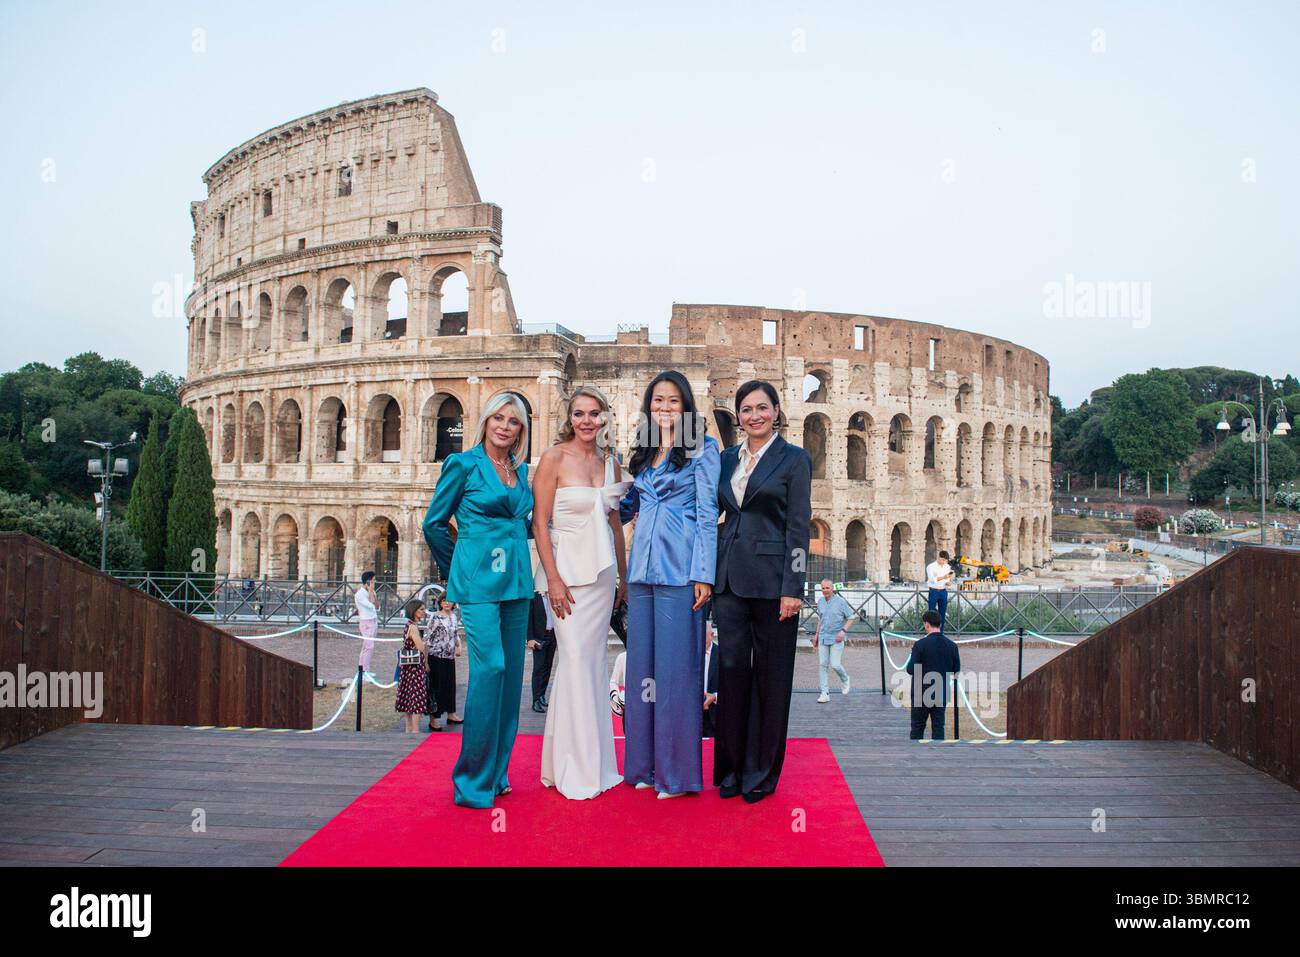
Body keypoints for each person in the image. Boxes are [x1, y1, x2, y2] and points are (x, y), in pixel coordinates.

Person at [422, 392, 535, 809]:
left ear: (521, 430)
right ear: (485, 421)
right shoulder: (463, 464)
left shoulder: (521, 471)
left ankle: (497, 772)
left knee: (511, 679)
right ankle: (471, 781)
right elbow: (433, 524)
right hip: (478, 585)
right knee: (491, 670)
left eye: (513, 421)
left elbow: (526, 524)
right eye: (498, 418)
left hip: (517, 582)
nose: (504, 426)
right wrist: (459, 569)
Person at [619, 370, 720, 799]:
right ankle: (644, 765)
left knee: (676, 674)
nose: (664, 407)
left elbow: (708, 512)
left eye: (673, 401)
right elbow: (627, 505)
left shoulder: (703, 448)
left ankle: (676, 775)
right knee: (643, 672)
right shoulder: (643, 451)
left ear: (686, 407)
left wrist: (704, 574)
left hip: (681, 569)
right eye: (658, 400)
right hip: (641, 570)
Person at [713, 380, 811, 804]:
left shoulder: (794, 459)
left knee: (772, 678)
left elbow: (799, 527)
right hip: (729, 580)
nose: (754, 415)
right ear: (738, 416)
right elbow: (712, 512)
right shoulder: (726, 459)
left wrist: (794, 587)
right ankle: (732, 768)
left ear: (776, 411)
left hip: (774, 585)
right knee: (732, 672)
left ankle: (761, 772)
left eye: (761, 408)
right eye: (746, 409)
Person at [532, 385, 631, 800]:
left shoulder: (612, 463)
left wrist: (624, 577)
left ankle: (594, 763)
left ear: (604, 417)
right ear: (569, 418)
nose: (587, 420)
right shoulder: (553, 459)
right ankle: (569, 766)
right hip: (567, 575)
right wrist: (553, 579)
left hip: (603, 576)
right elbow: (539, 523)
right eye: (579, 414)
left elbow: (614, 525)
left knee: (591, 665)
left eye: (594, 413)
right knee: (572, 660)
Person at [905, 610, 961, 740]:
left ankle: (916, 751)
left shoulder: (920, 645)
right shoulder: (952, 646)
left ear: (926, 624)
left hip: (920, 692)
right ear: (940, 624)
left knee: (917, 728)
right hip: (941, 691)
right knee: (938, 727)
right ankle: (938, 751)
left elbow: (910, 669)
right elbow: (956, 670)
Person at [424, 598, 462, 731]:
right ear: (440, 603)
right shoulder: (435, 617)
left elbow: (455, 634)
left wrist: (459, 646)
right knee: (437, 687)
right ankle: (433, 719)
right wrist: (425, 661)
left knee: (450, 686)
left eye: (449, 601)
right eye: (444, 601)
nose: (447, 603)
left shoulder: (454, 616)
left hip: (449, 657)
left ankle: (451, 714)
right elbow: (428, 639)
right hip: (436, 656)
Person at [814, 579, 854, 703]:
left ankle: (845, 679)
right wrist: (816, 635)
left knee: (835, 664)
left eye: (827, 588)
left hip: (837, 638)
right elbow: (820, 619)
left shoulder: (841, 602)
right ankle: (824, 693)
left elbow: (851, 617)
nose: (825, 590)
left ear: (832, 588)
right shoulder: (820, 602)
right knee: (823, 665)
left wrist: (843, 631)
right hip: (823, 637)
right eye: (823, 588)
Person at [394, 599, 429, 733]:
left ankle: (409, 728)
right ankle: (415, 730)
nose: (423, 612)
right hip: (415, 668)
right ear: (414, 611)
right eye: (421, 609)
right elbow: (420, 647)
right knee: (416, 699)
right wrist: (426, 643)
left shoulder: (409, 625)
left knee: (408, 697)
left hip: (408, 667)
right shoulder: (413, 627)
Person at [526, 591, 556, 713]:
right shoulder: (534, 596)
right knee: (538, 669)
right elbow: (528, 618)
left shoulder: (554, 595)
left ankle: (542, 695)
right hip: (538, 637)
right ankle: (536, 700)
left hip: (552, 636)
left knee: (547, 668)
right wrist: (530, 638)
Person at [354, 570, 378, 675]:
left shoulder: (372, 592)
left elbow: (377, 606)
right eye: (373, 580)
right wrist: (371, 591)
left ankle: (363, 670)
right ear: (368, 581)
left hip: (374, 620)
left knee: (366, 647)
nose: (375, 582)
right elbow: (370, 605)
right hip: (366, 622)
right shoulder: (359, 594)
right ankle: (364, 671)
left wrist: (372, 592)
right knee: (369, 647)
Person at [925, 550, 954, 629]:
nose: (944, 562)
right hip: (933, 591)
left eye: (945, 561)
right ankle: (931, 632)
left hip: (943, 591)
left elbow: (947, 580)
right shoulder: (931, 566)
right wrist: (943, 577)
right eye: (943, 560)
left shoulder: (947, 566)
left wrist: (948, 582)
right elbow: (932, 580)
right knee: (931, 613)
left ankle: (940, 632)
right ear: (939, 557)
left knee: (942, 614)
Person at [701, 622, 719, 739]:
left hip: (714, 716)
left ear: (712, 635)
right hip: (690, 717)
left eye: (704, 636)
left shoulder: (723, 655)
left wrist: (714, 697)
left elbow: (733, 688)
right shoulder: (687, 654)